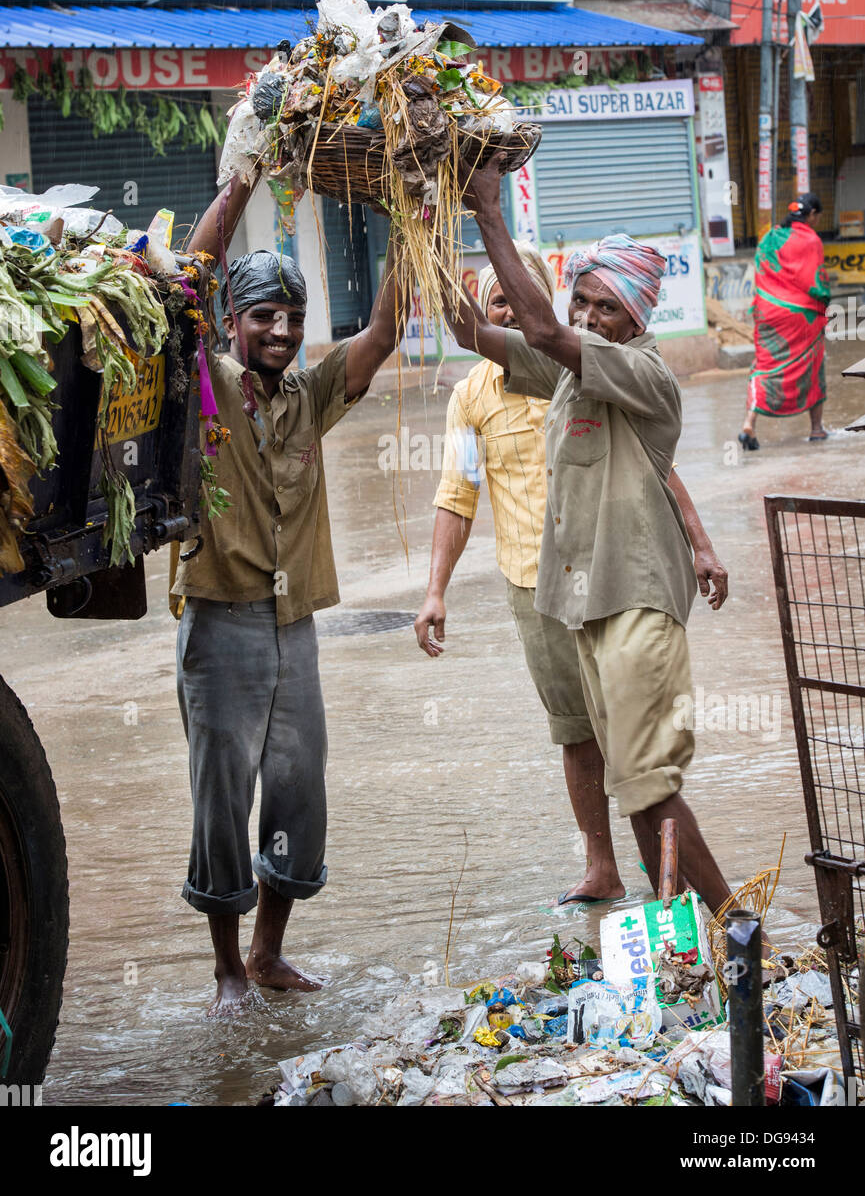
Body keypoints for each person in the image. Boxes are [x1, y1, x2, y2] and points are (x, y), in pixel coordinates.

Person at [440, 155, 738, 924]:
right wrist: (425, 221)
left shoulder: (644, 373)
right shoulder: (567, 375)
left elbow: (539, 326)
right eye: (583, 302)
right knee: (630, 785)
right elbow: (471, 328)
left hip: (637, 603)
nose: (589, 317)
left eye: (606, 306)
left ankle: (740, 925)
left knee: (650, 783)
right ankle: (682, 937)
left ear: (637, 317)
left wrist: (490, 212)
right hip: (582, 607)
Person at [173, 177, 407, 1014]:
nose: (279, 332)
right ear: (233, 326)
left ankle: (270, 955)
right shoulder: (207, 388)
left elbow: (382, 332)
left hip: (293, 631)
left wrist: (411, 217)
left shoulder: (309, 400)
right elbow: (192, 281)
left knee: (298, 793)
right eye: (263, 317)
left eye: (293, 319)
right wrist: (240, 180)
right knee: (221, 798)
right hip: (219, 628)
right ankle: (228, 970)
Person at [739, 193, 831, 450]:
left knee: (764, 365)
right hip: (801, 315)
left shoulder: (770, 237)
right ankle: (816, 429)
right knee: (812, 365)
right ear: (812, 215)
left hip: (768, 312)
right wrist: (826, 302)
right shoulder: (811, 240)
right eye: (818, 217)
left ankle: (749, 423)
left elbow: (761, 272)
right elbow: (816, 281)